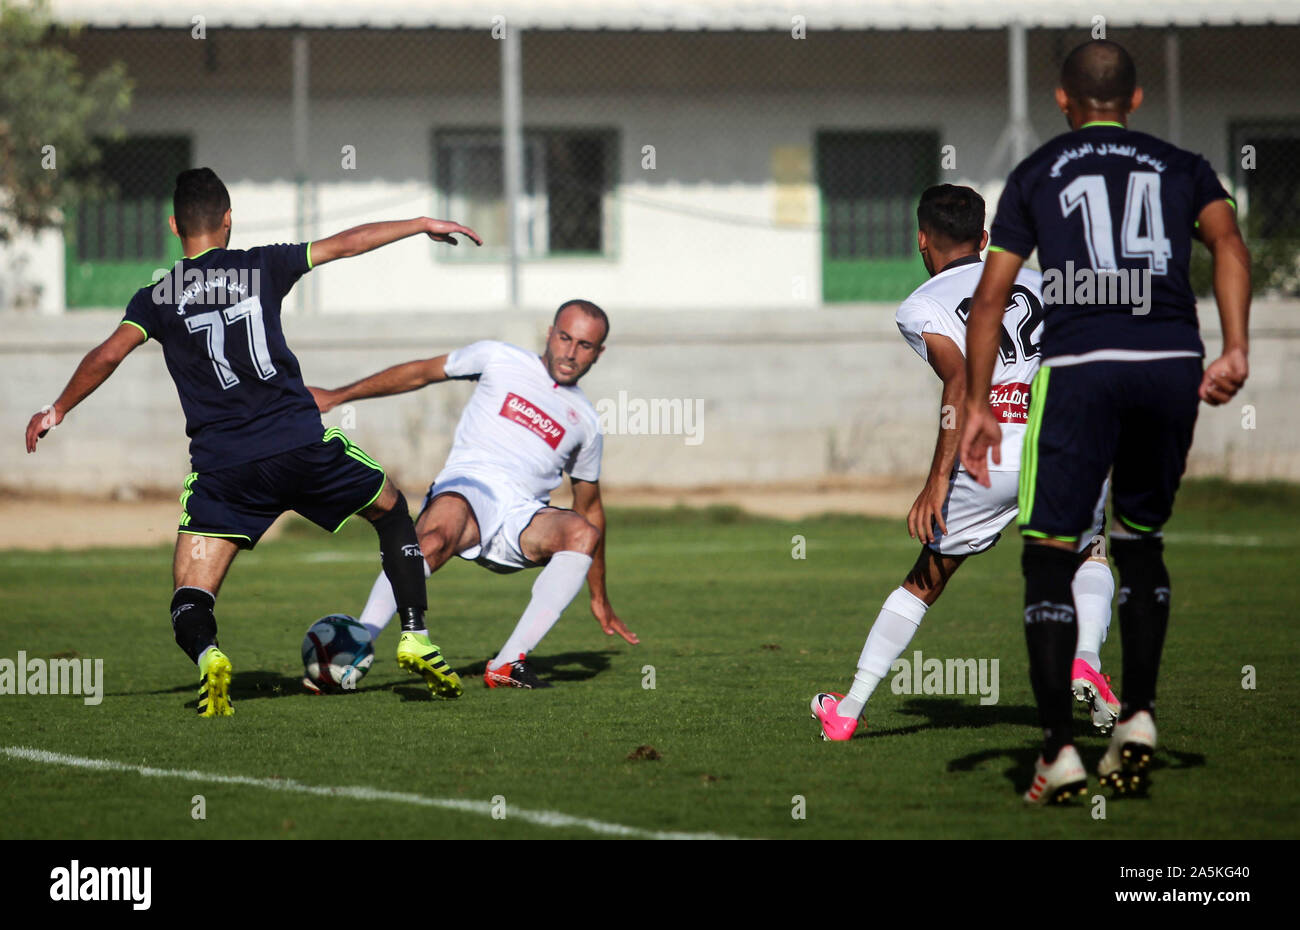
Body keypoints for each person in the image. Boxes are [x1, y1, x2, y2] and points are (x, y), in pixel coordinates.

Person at [24, 167, 483, 714]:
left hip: (225, 469)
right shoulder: (260, 264)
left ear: (174, 225)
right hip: (300, 447)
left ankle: (209, 656)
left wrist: (56, 410)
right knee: (390, 511)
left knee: (190, 590)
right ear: (228, 220)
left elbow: (106, 355)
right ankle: (414, 634)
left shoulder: (156, 296)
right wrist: (419, 223)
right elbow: (345, 245)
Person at [959, 41, 1251, 803]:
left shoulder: (1035, 174)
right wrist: (1236, 349)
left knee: (1050, 554)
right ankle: (1141, 713)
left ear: (1062, 100)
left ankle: (1057, 750)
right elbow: (1227, 242)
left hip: (1081, 369)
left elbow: (990, 299)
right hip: (1170, 365)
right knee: (1139, 543)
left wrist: (978, 403)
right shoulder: (1184, 166)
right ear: (1137, 98)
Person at [810, 184, 1115, 741]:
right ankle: (1086, 657)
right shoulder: (1040, 280)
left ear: (922, 239)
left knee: (926, 580)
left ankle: (848, 709)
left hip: (991, 453)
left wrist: (936, 481)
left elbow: (958, 380)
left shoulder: (921, 305)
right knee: (1090, 551)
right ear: (985, 239)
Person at [310, 300, 637, 689]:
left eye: (584, 345)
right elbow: (419, 373)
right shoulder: (498, 357)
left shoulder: (586, 421)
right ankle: (356, 645)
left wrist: (598, 595)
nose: (570, 352)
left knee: (582, 532)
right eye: (565, 337)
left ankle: (507, 663)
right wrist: (337, 395)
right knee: (432, 540)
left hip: (523, 516)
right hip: (471, 486)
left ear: (598, 353)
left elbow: (591, 509)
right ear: (549, 334)